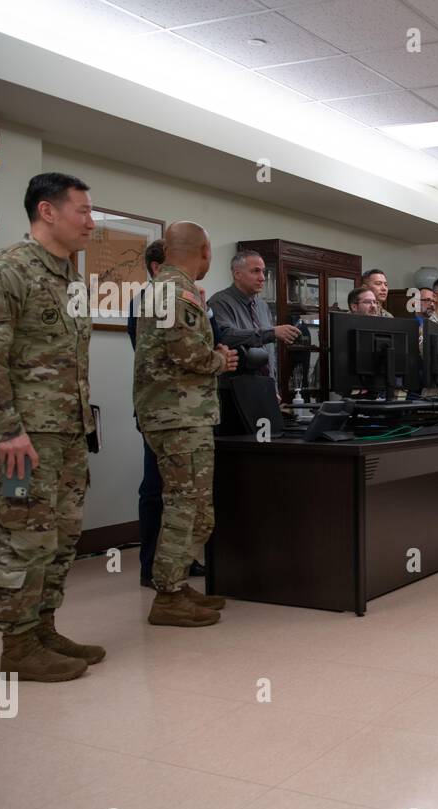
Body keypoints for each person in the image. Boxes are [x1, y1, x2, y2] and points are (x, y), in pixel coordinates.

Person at [0, 172, 105, 681]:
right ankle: (17, 646)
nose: (91, 221)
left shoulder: (68, 277)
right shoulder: (3, 271)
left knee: (62, 536)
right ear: (48, 212)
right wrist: (8, 431)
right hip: (23, 440)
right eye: (83, 211)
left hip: (66, 434)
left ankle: (43, 627)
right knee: (24, 538)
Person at [134, 221, 238, 627]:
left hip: (173, 414)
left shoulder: (162, 289)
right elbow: (187, 355)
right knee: (186, 507)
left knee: (191, 506)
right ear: (204, 252)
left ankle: (176, 585)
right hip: (179, 416)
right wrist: (221, 360)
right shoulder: (175, 292)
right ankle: (168, 595)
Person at [208, 250, 300, 389]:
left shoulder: (262, 306)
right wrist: (271, 333)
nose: (262, 277)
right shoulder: (220, 302)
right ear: (237, 274)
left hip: (263, 387)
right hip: (234, 388)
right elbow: (225, 336)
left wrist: (272, 385)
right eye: (256, 271)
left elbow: (269, 352)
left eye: (263, 271)